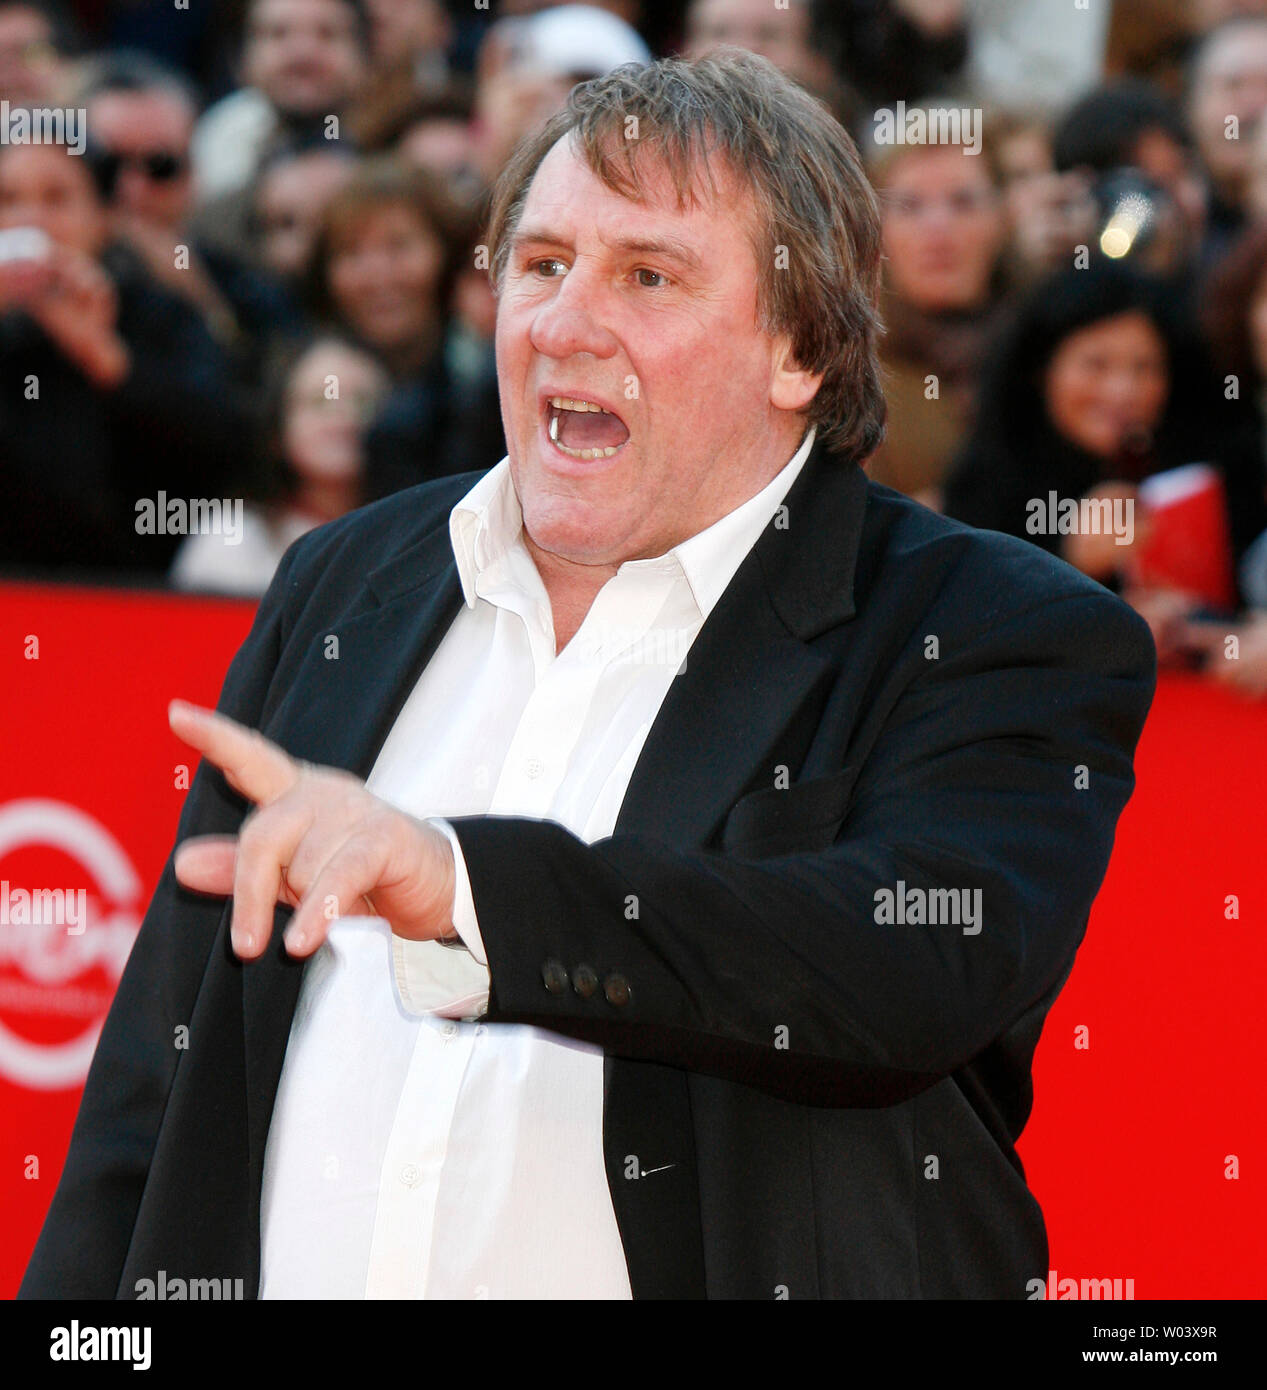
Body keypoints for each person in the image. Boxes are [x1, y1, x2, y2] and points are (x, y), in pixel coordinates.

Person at [20, 51, 1154, 1301]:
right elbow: (158, 1081)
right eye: (543, 263)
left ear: (800, 353)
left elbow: (900, 969)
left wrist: (461, 884)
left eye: (648, 275)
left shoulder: (995, 626)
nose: (564, 321)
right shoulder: (348, 580)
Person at [169, 334, 390, 596]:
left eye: (363, 402)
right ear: (277, 430)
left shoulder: (414, 533)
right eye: (319, 401)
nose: (344, 417)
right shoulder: (231, 537)